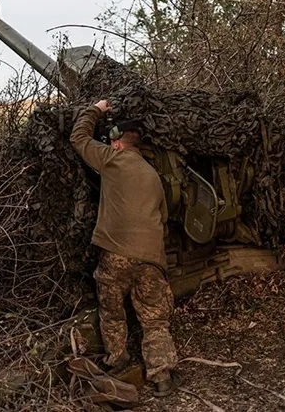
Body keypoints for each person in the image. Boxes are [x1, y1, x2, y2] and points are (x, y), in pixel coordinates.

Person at [69, 99, 179, 396]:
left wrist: (96, 109)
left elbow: (78, 138)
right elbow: (164, 219)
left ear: (117, 142)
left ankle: (118, 363)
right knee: (155, 319)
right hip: (151, 258)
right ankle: (162, 377)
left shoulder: (112, 160)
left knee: (113, 312)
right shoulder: (154, 176)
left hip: (116, 255)